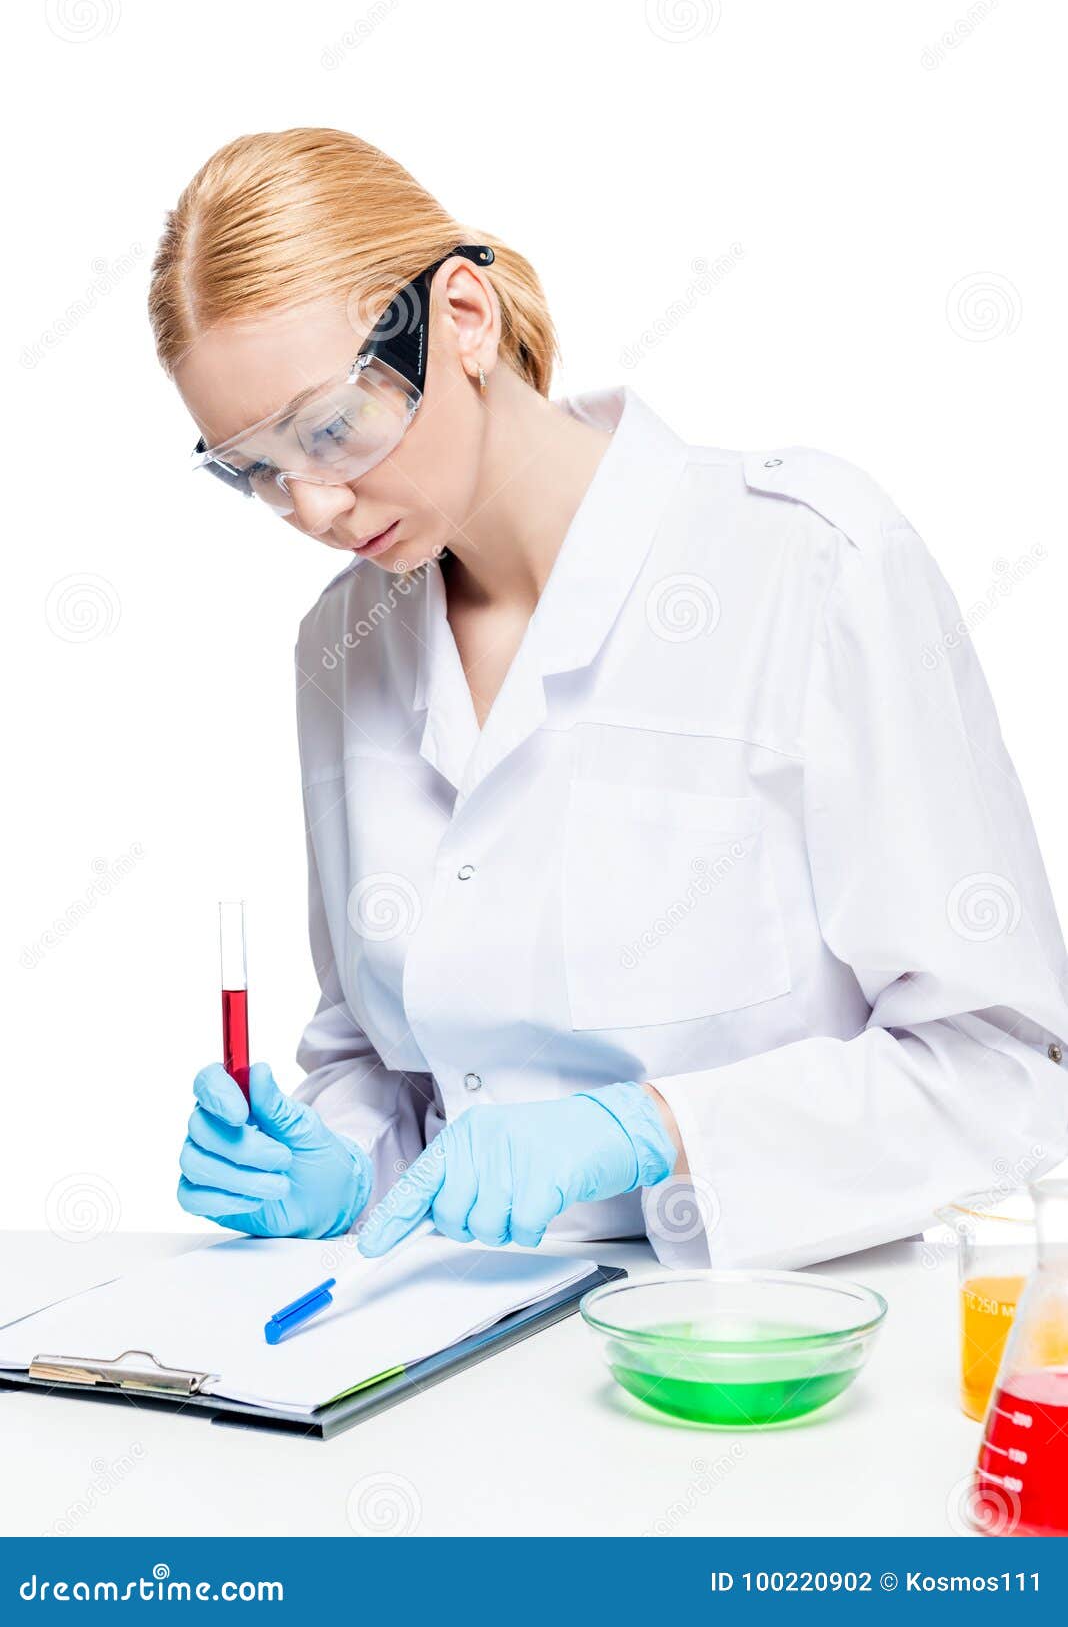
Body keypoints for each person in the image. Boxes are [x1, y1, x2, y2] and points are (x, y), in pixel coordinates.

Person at [149, 127, 1068, 1271]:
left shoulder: (804, 563)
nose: (316, 508)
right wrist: (337, 1163)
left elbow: (1005, 1073)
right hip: (454, 1328)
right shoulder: (344, 644)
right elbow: (396, 1076)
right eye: (255, 470)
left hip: (768, 1337)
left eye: (331, 429)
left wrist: (656, 1130)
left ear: (463, 318)